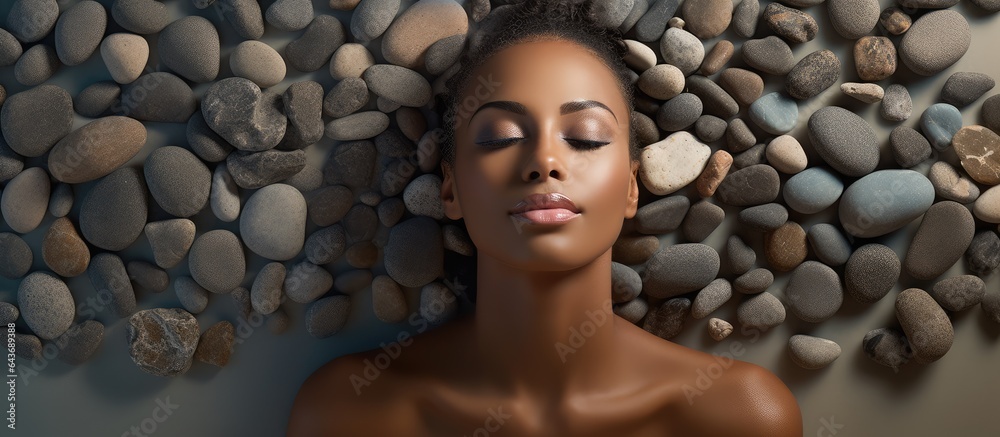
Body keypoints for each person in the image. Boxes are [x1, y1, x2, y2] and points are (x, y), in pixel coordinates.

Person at [287, 1, 802, 435]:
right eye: (500, 138)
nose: (544, 161)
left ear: (630, 187)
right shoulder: (348, 412)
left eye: (585, 138)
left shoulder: (740, 415)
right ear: (451, 189)